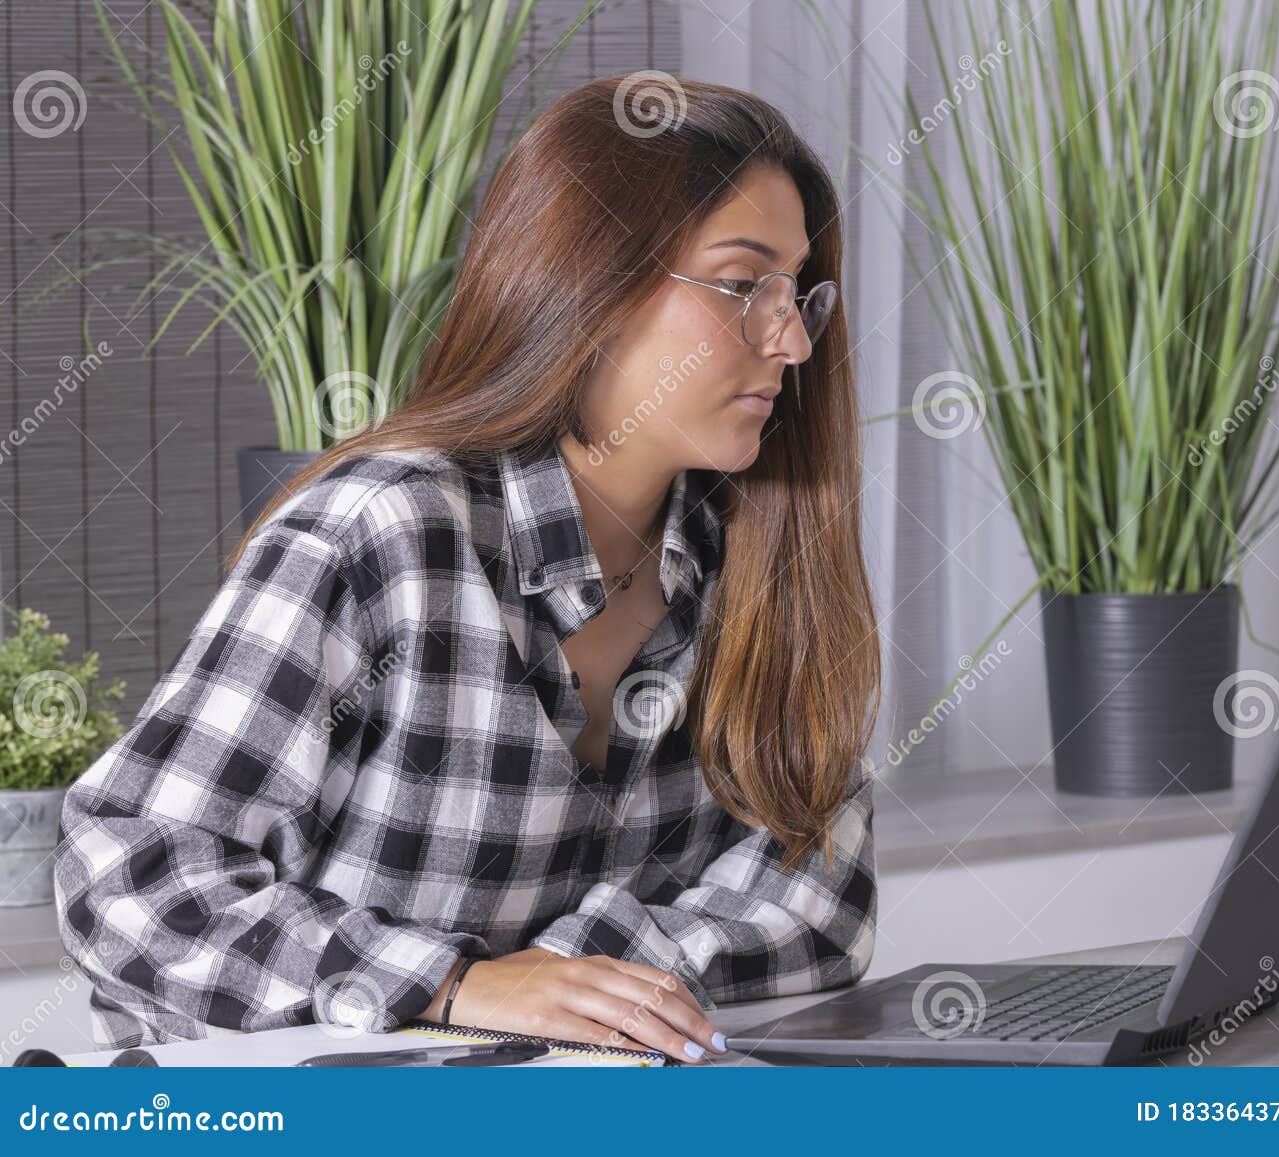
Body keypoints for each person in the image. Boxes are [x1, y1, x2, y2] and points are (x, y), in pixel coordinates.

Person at [54, 74, 882, 1065]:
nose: (789, 341)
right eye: (744, 286)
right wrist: (453, 984)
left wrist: (568, 987)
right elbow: (129, 877)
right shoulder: (380, 533)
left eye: (799, 297)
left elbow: (815, 913)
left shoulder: (753, 565)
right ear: (590, 283)